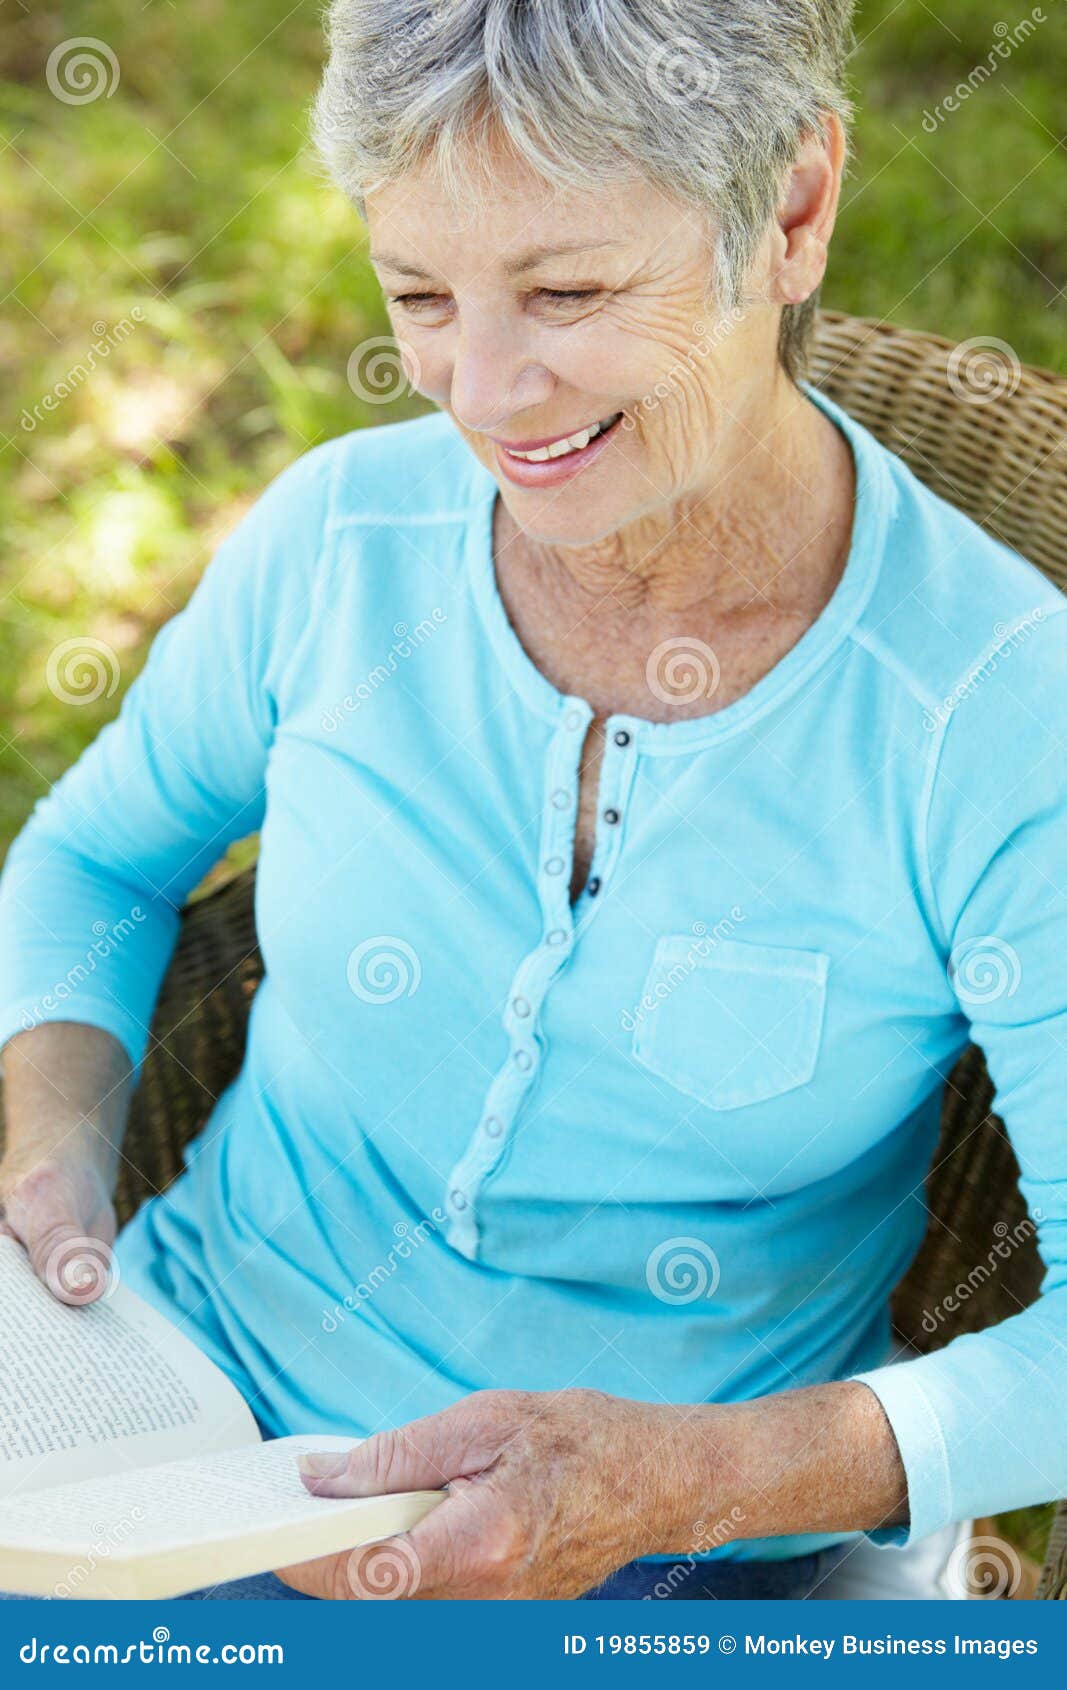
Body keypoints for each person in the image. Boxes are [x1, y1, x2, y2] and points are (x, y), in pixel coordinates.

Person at [1, 0, 1064, 1601]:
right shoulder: (335, 546)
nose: (481, 395)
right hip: (166, 1448)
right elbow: (94, 858)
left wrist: (682, 1485)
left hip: (676, 1566)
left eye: (567, 291)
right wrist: (54, 1132)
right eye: (418, 293)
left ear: (791, 209)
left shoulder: (994, 711)